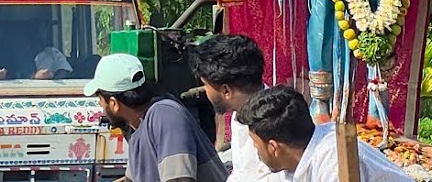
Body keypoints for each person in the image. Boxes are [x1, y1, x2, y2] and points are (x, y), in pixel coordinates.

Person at [86, 53, 226, 182]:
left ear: (114, 104)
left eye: (100, 99)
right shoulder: (136, 131)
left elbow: (179, 179)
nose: (100, 105)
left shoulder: (165, 115)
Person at [236, 86, 409, 182]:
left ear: (274, 147)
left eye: (255, 143)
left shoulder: (333, 162)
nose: (255, 149)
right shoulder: (300, 152)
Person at [187, 35, 272, 182]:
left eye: (206, 85)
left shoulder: (274, 123)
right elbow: (242, 174)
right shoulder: (239, 115)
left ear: (226, 91)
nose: (205, 91)